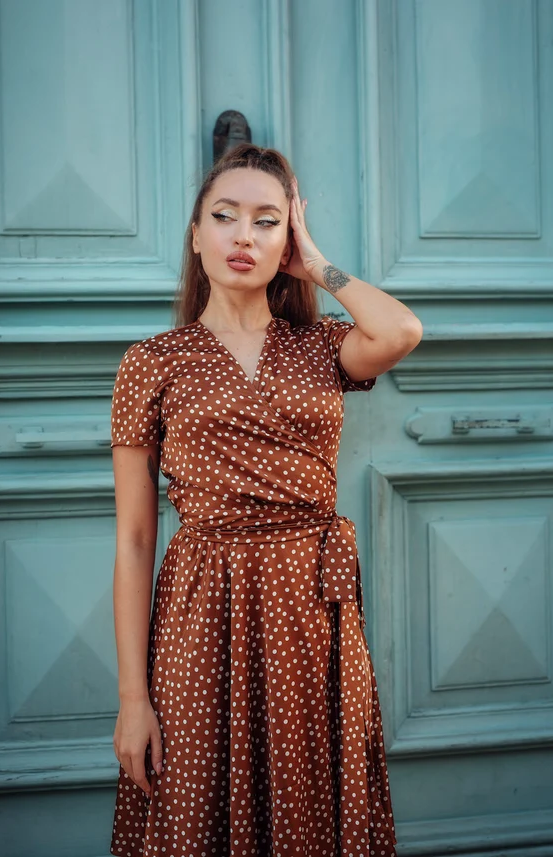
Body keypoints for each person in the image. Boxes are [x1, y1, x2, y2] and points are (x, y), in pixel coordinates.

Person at [108, 143, 422, 857]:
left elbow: (402, 330)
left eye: (266, 221)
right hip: (202, 607)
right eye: (224, 216)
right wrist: (133, 699)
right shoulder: (151, 362)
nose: (243, 236)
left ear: (287, 240)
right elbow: (132, 539)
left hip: (311, 609)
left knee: (307, 798)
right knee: (195, 800)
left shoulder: (321, 346)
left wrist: (316, 263)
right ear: (195, 234)